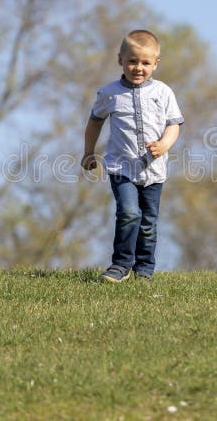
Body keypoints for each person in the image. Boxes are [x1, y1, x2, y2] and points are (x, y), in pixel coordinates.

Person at [81, 30, 184, 282]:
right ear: (120, 60)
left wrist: (164, 144)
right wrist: (88, 152)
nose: (138, 68)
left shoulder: (163, 92)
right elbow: (95, 122)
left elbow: (174, 124)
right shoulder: (110, 93)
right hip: (121, 168)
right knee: (129, 213)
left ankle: (145, 269)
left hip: (154, 171)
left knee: (148, 222)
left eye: (146, 63)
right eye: (132, 61)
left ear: (156, 64)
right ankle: (120, 265)